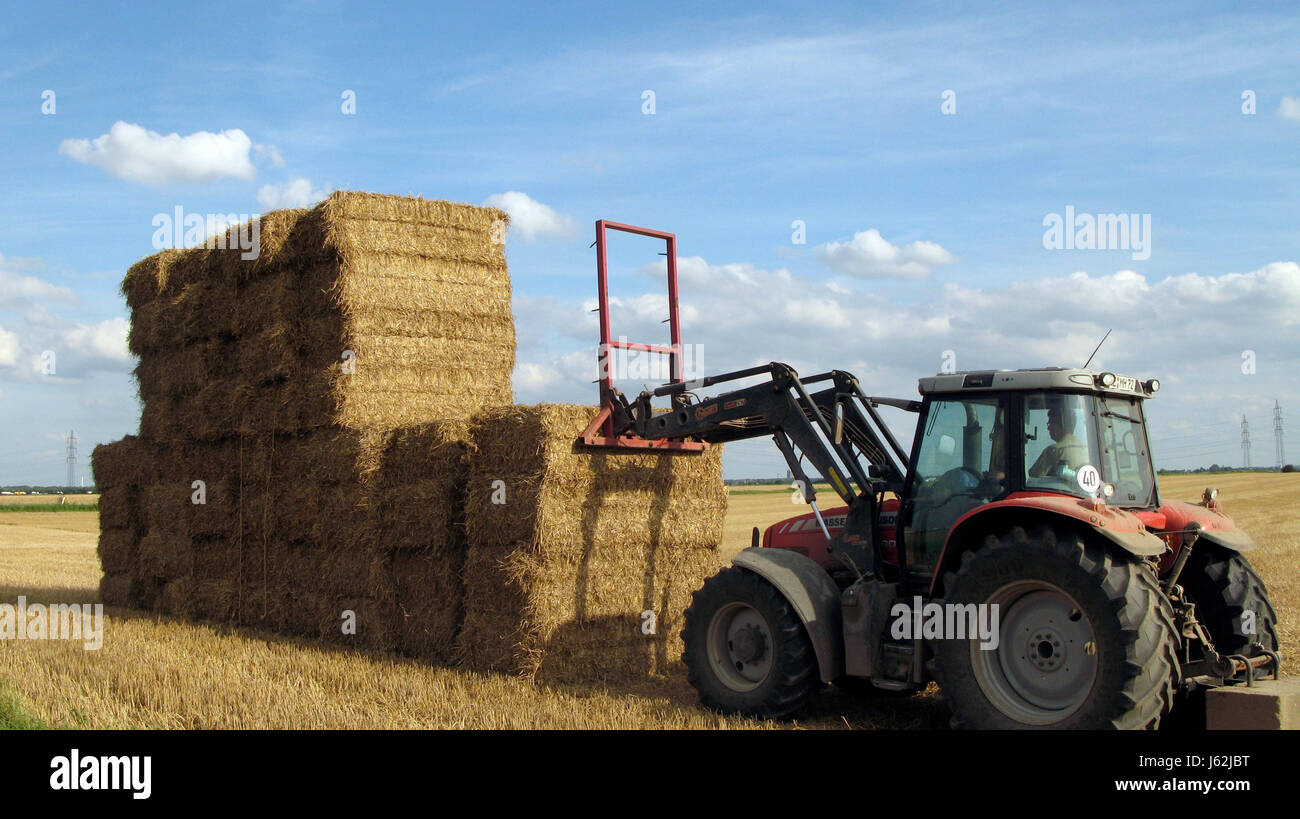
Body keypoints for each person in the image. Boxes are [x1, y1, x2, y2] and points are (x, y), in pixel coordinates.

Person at [1028, 403, 1088, 478]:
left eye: (1050, 423)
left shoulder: (1054, 450)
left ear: (1060, 425)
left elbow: (1032, 479)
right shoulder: (1087, 451)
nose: (1048, 428)